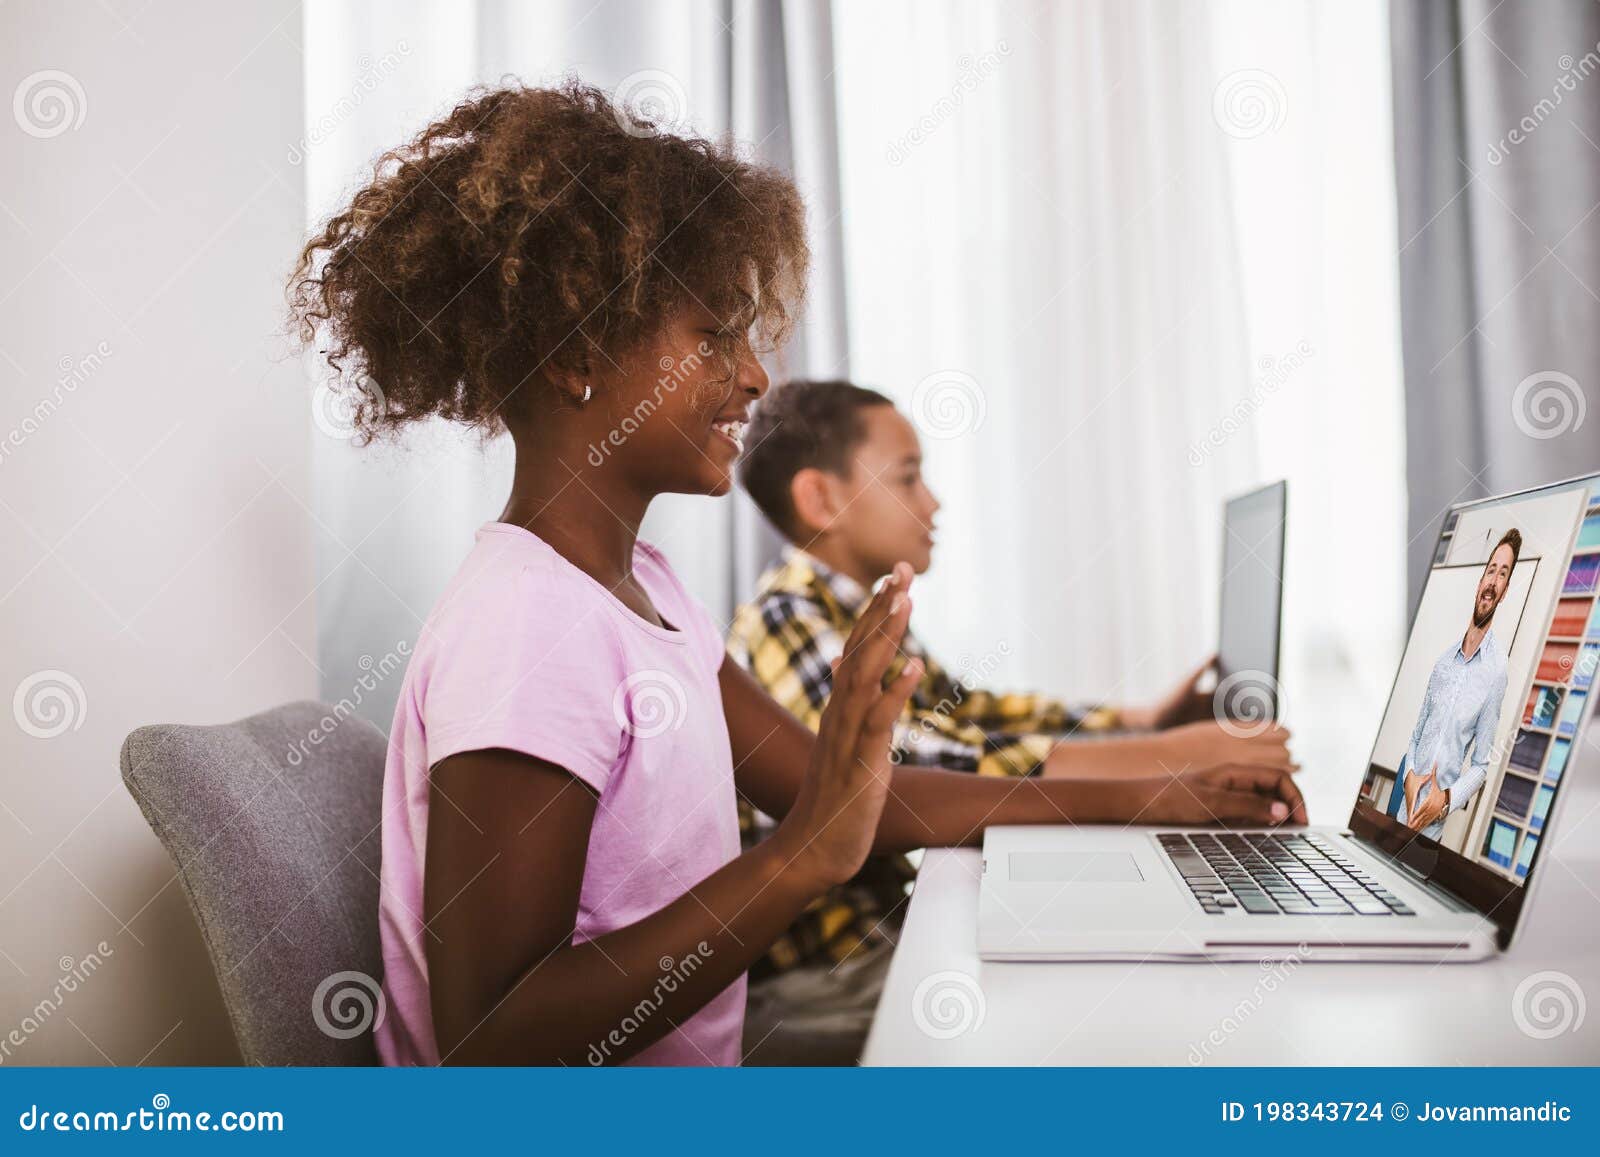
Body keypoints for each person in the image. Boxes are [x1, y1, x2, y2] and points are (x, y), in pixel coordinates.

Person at [287, 81, 1305, 1068]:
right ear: (578, 353)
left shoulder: (646, 596)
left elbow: (861, 801)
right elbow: (492, 1038)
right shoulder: (528, 624)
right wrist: (800, 854)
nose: (753, 373)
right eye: (714, 336)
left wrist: (1153, 793)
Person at [727, 379, 1293, 1059]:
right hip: (827, 977)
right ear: (821, 498)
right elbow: (900, 769)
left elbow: (969, 714)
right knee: (1108, 1015)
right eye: (908, 477)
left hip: (881, 940)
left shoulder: (852, 609)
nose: (933, 501)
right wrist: (1165, 762)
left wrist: (1143, 722)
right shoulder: (790, 616)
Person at [1398, 529, 1520, 839]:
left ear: (1504, 591)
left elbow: (1480, 766)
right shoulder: (1443, 663)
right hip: (1400, 813)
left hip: (1431, 832)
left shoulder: (1496, 672)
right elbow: (1416, 734)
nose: (1493, 581)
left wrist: (1445, 802)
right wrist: (1409, 776)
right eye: (1491, 570)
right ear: (1480, 583)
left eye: (1502, 574)